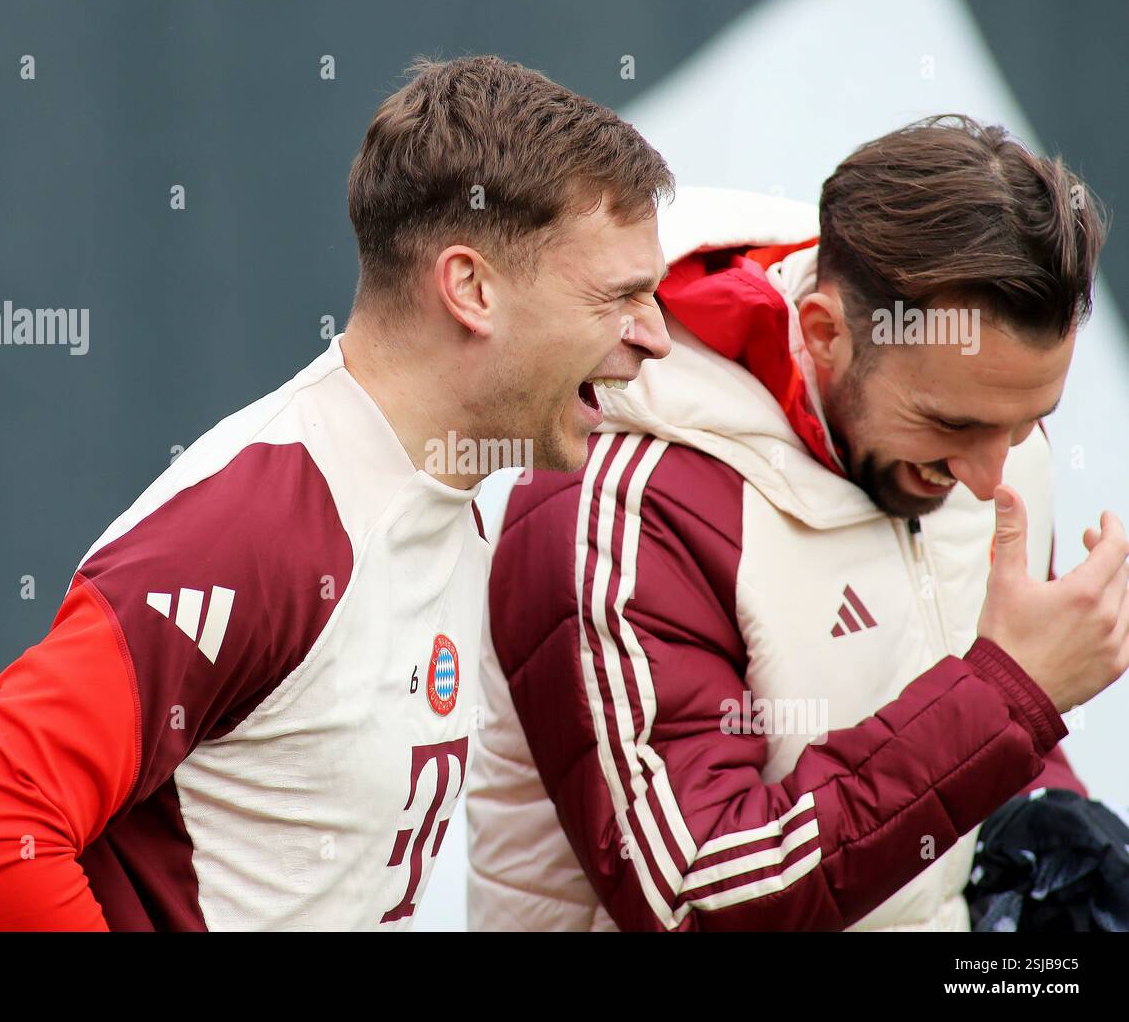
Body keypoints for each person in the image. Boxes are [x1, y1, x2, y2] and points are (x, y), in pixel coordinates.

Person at [0, 55, 673, 931]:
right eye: (621, 296)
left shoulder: (457, 507)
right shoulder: (253, 525)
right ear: (472, 289)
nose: (654, 337)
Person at [467, 115, 1124, 932]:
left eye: (1029, 419)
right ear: (824, 334)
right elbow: (696, 894)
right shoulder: (621, 499)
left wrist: (1052, 818)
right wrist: (1010, 700)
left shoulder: (986, 418)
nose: (989, 475)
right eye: (951, 424)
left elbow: (965, 707)